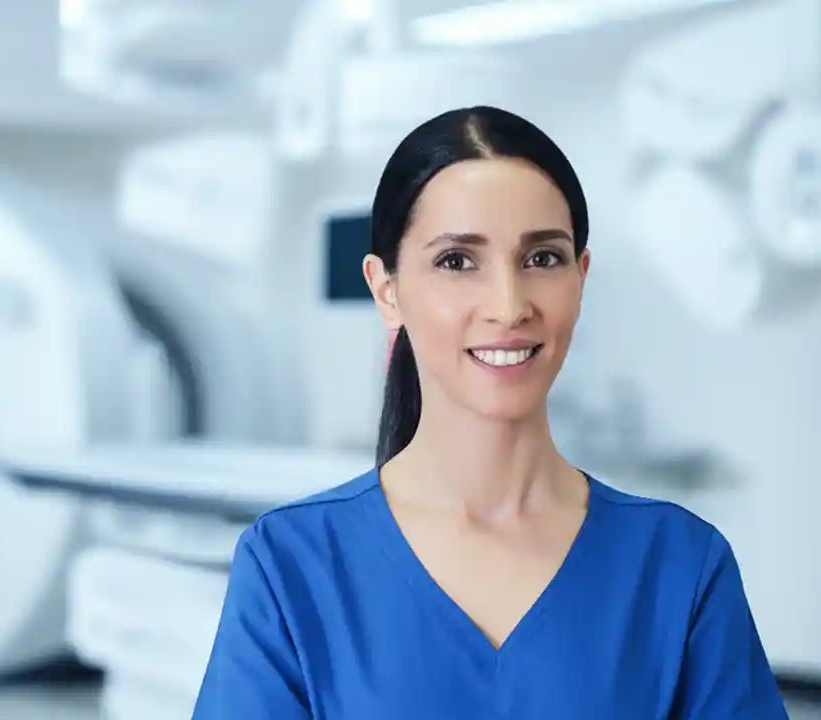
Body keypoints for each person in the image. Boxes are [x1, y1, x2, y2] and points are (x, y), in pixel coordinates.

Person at [191, 106, 788, 718]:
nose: (509, 306)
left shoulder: (680, 566)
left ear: (580, 279)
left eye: (542, 259)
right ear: (386, 289)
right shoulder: (291, 567)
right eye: (457, 261)